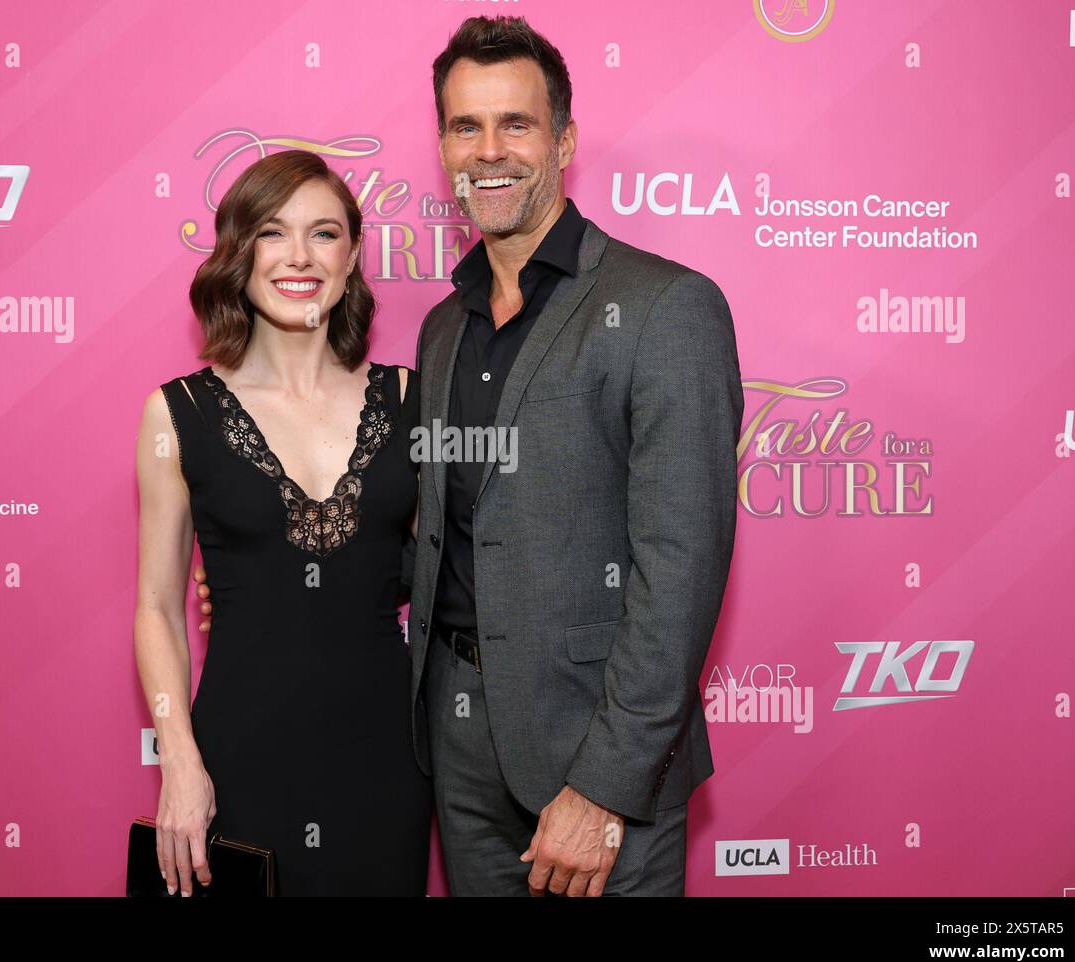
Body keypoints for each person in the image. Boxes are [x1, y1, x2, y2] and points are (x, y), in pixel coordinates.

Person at [199, 14, 743, 897]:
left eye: (515, 124)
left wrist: (605, 787)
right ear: (444, 146)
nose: (489, 151)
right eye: (465, 127)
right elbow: (444, 536)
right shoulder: (445, 327)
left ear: (564, 140)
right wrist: (278, 570)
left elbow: (681, 573)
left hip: (592, 757)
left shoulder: (663, 308)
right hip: (455, 753)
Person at [133, 149, 432, 896]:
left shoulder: (411, 400)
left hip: (386, 759)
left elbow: (446, 568)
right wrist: (180, 762)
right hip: (239, 755)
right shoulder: (176, 414)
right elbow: (158, 607)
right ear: (239, 253)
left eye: (323, 233)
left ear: (352, 256)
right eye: (273, 232)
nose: (299, 256)